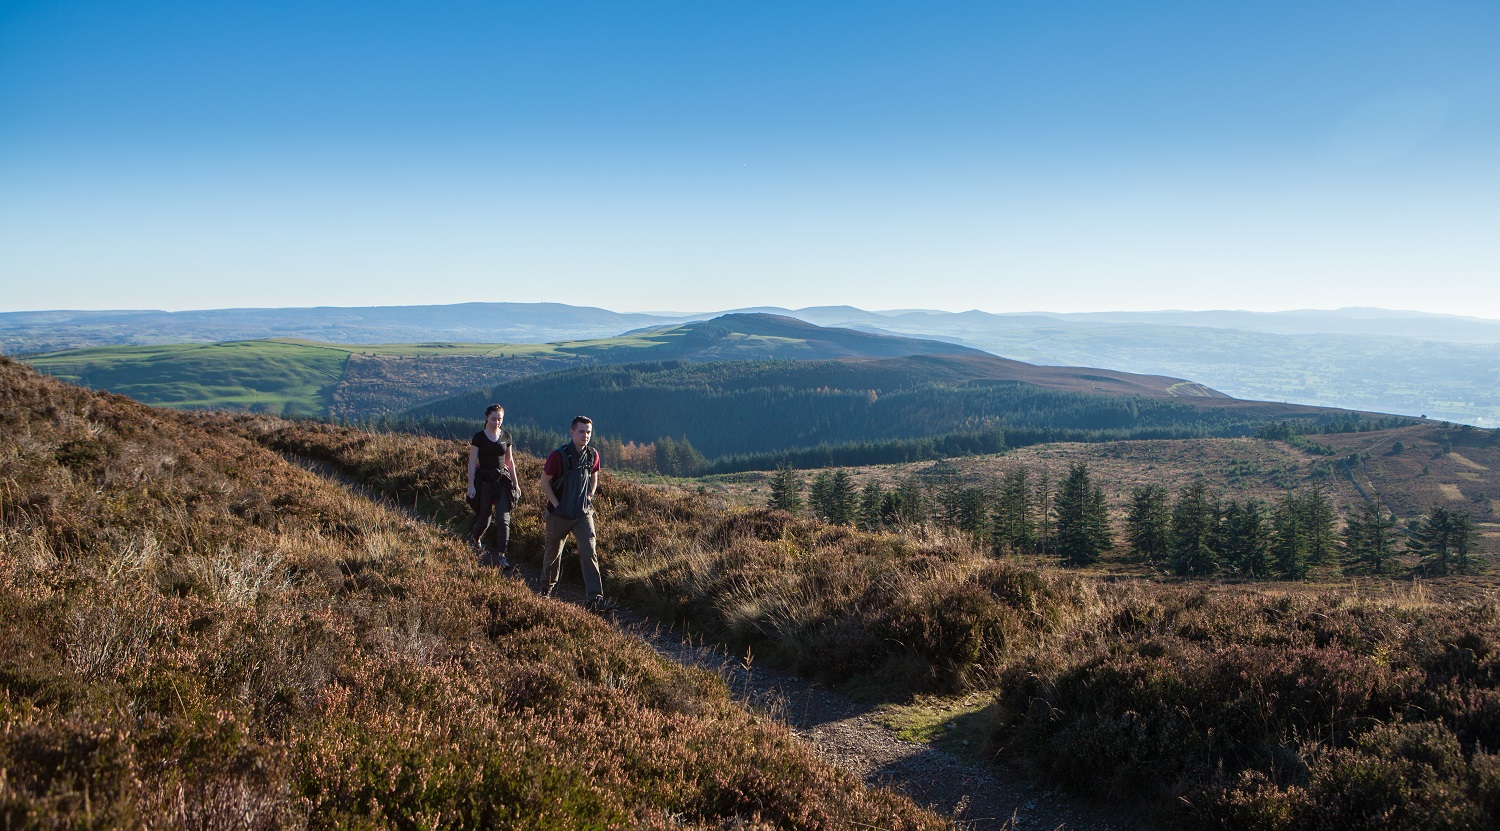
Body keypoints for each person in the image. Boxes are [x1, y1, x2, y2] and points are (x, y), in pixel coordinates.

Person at [539, 415, 610, 611]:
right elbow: (544, 482)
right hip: (559, 516)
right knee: (553, 553)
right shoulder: (557, 456)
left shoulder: (593, 454)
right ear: (572, 432)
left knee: (589, 552)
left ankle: (595, 599)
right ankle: (545, 591)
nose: (585, 435)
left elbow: (594, 477)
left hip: (582, 514)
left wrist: (589, 497)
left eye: (588, 432)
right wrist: (556, 505)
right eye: (581, 431)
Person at [467, 403, 518, 570]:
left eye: (499, 419)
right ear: (487, 418)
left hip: (502, 482)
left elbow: (510, 462)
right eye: (493, 419)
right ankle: (475, 538)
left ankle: (501, 556)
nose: (496, 422)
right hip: (484, 482)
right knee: (484, 519)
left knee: (504, 520)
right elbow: (472, 462)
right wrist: (471, 485)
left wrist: (516, 484)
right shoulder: (479, 437)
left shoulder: (507, 437)